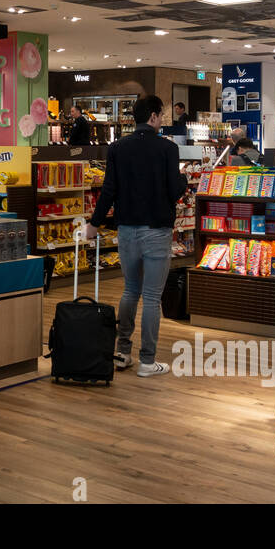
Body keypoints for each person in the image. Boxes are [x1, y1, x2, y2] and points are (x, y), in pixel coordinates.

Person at [83, 96, 186, 378]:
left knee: (130, 291)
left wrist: (94, 223)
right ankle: (147, 361)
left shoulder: (118, 148)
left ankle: (122, 351)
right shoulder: (168, 148)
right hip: (156, 229)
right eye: (161, 115)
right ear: (153, 116)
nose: (163, 119)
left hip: (126, 229)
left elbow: (109, 190)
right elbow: (173, 190)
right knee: (152, 298)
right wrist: (184, 181)